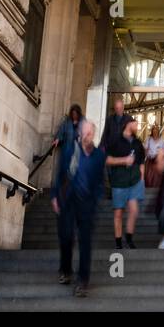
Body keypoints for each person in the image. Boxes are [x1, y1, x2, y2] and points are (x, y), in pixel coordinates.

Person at [52, 119, 106, 297]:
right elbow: (59, 175)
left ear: (93, 135)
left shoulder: (99, 156)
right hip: (68, 200)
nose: (88, 136)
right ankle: (65, 270)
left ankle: (83, 281)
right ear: (80, 133)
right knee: (66, 237)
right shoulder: (69, 150)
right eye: (85, 133)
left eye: (91, 133)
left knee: (85, 242)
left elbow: (100, 182)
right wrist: (54, 196)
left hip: (87, 203)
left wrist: (96, 200)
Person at [106, 117, 146, 248]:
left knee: (134, 210)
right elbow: (107, 160)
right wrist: (124, 160)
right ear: (128, 124)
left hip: (134, 180)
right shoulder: (115, 140)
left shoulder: (138, 143)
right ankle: (118, 242)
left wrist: (142, 178)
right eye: (136, 124)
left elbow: (141, 162)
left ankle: (129, 238)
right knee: (118, 212)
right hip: (119, 180)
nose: (138, 127)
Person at [144, 123, 164, 189]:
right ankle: (149, 188)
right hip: (150, 160)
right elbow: (146, 150)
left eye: (156, 131)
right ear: (152, 132)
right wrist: (146, 154)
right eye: (154, 131)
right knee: (149, 176)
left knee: (158, 176)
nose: (155, 132)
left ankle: (157, 188)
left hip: (158, 160)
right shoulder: (149, 139)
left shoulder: (162, 141)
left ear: (158, 132)